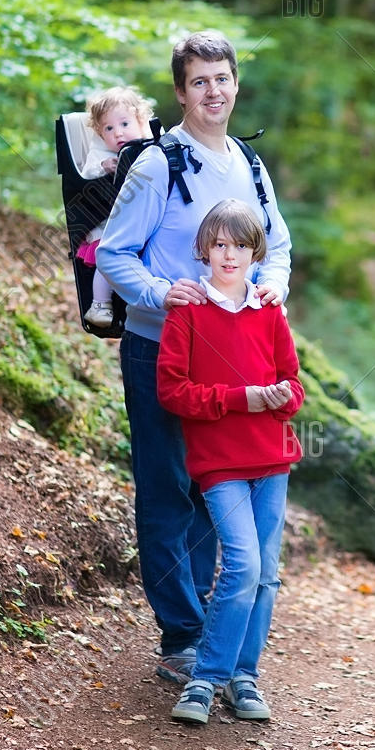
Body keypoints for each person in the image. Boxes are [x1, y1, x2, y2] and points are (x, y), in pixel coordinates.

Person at [94, 30, 293, 687]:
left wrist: (272, 287)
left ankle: (214, 625)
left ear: (237, 84)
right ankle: (181, 634)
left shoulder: (249, 166)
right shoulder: (158, 165)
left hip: (234, 359)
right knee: (165, 490)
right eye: (200, 81)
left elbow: (279, 248)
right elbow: (116, 253)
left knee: (220, 487)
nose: (214, 91)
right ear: (180, 92)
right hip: (159, 350)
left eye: (223, 78)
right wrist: (160, 291)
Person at [156, 199, 303, 723]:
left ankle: (244, 677)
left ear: (255, 251)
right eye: (219, 244)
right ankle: (205, 680)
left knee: (265, 575)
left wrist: (276, 397)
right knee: (242, 564)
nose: (229, 254)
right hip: (219, 463)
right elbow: (173, 392)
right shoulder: (188, 312)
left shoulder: (269, 310)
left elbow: (295, 388)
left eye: (240, 245)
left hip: (272, 458)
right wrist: (242, 398)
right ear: (204, 249)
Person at [77, 86, 154, 328]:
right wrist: (104, 166)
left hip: (144, 220)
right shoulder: (101, 151)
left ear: (141, 121)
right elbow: (86, 172)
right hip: (108, 221)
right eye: (108, 128)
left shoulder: (150, 143)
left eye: (124, 124)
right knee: (109, 257)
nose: (117, 133)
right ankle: (100, 304)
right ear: (100, 133)